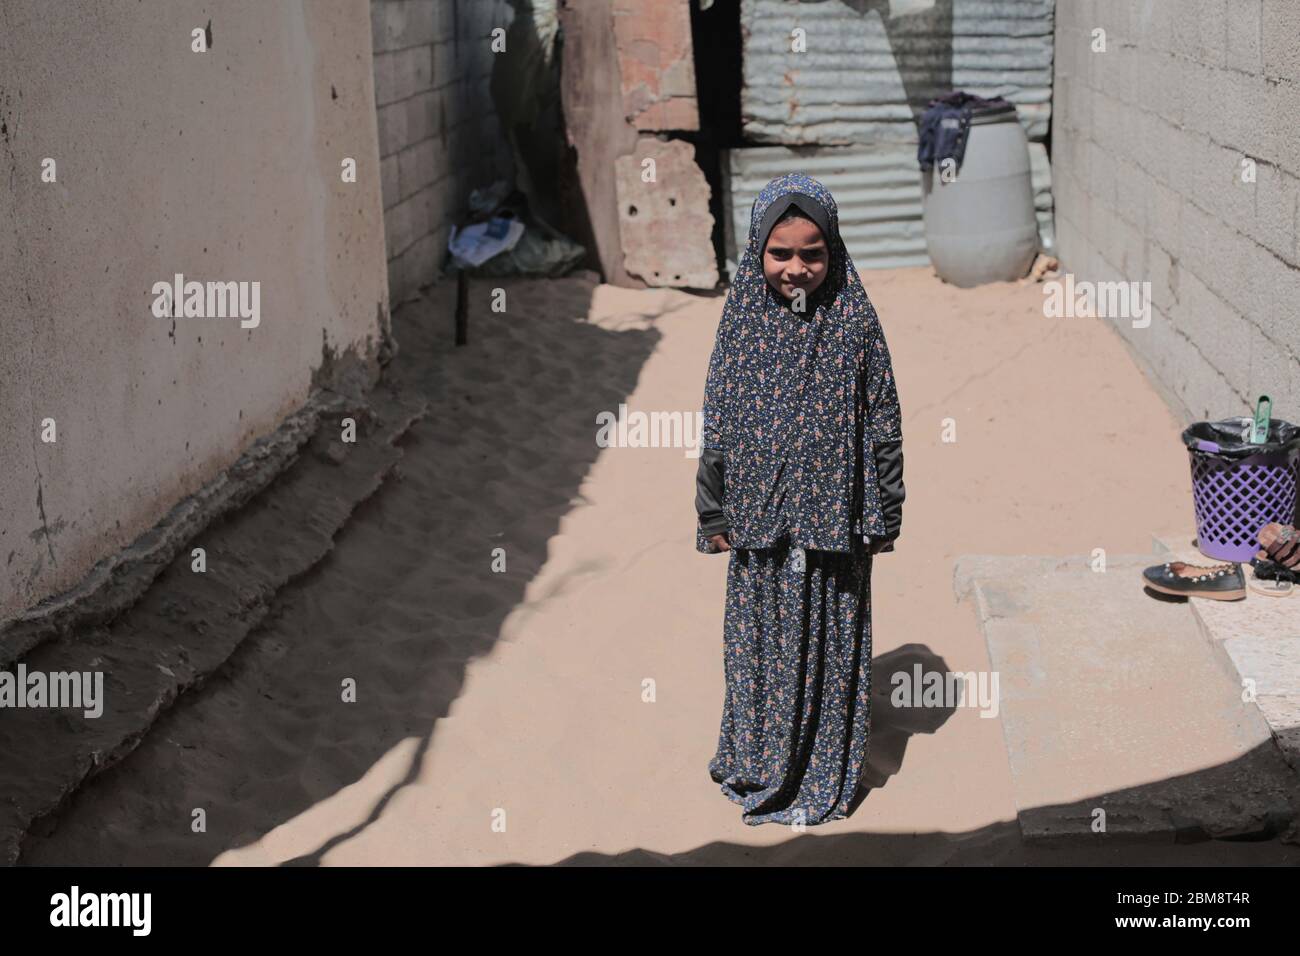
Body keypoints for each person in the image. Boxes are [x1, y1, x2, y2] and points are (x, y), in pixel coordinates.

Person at [694, 172, 905, 826]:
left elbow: (883, 419)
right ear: (757, 249)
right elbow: (719, 419)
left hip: (834, 527)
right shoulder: (742, 318)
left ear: (833, 251)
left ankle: (818, 773)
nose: (796, 268)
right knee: (757, 648)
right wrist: (713, 512)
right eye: (779, 253)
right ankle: (758, 765)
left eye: (812, 253)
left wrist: (885, 510)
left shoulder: (854, 316)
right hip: (759, 524)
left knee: (827, 644)